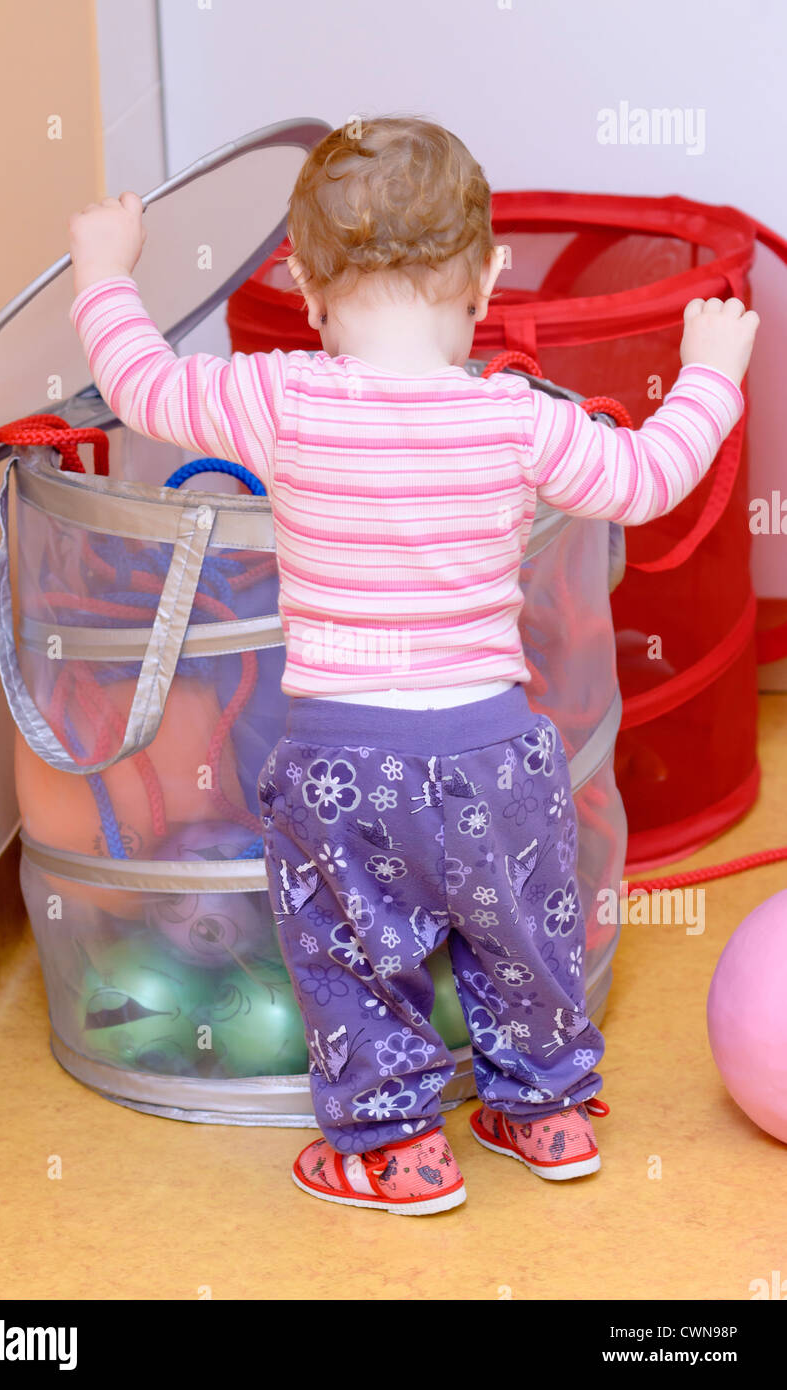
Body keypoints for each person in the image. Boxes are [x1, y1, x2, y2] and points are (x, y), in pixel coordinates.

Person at [68, 116, 758, 1216]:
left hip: (346, 764)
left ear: (301, 282)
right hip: (498, 754)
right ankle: (545, 1112)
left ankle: (396, 1148)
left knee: (349, 948)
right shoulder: (514, 418)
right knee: (523, 933)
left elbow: (140, 381)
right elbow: (645, 478)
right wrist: (710, 376)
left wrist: (105, 270)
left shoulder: (277, 399)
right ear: (489, 279)